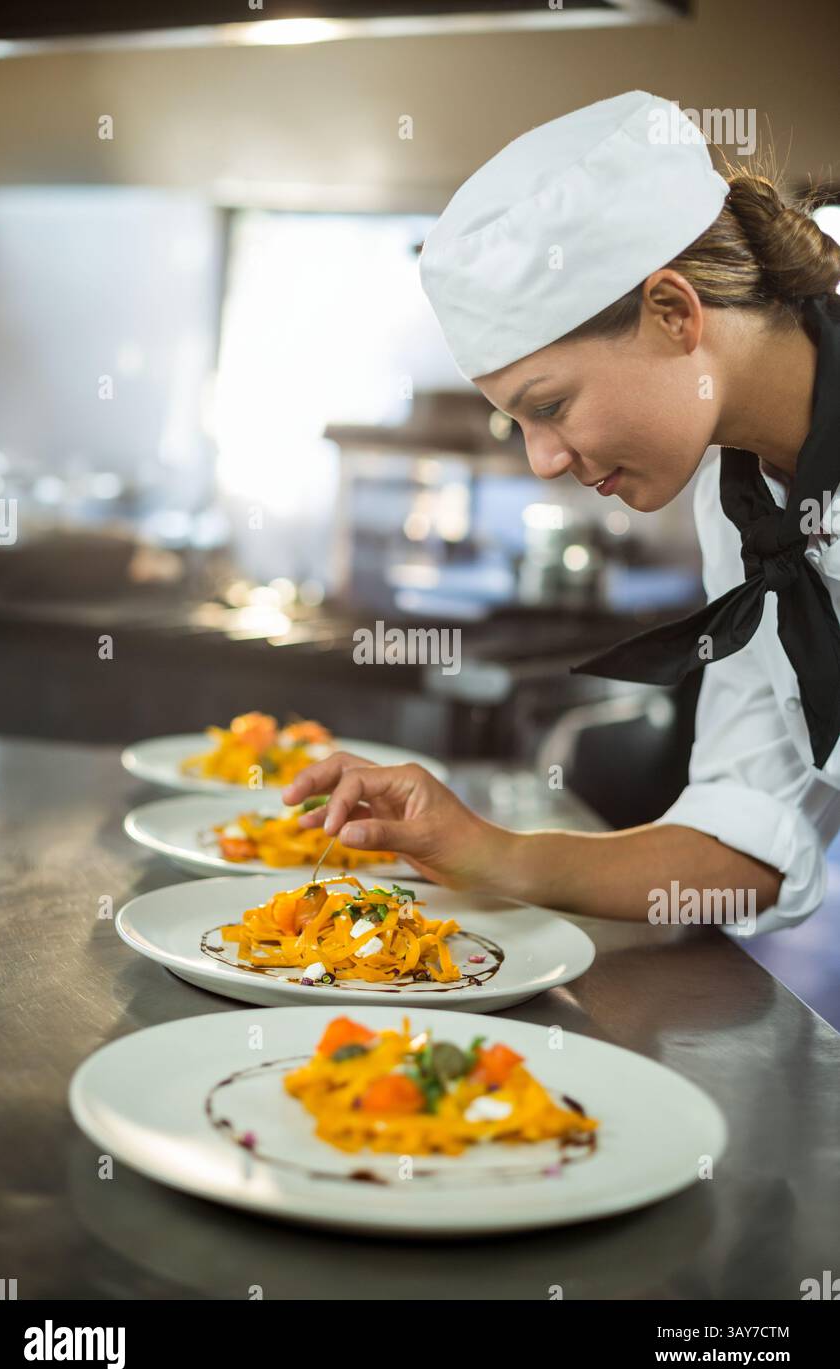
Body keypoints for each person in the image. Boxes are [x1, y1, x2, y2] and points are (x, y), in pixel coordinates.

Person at [284, 91, 840, 937]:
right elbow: (751, 841)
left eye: (551, 406)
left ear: (673, 313)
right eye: (519, 423)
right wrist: (482, 850)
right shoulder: (738, 510)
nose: (542, 460)